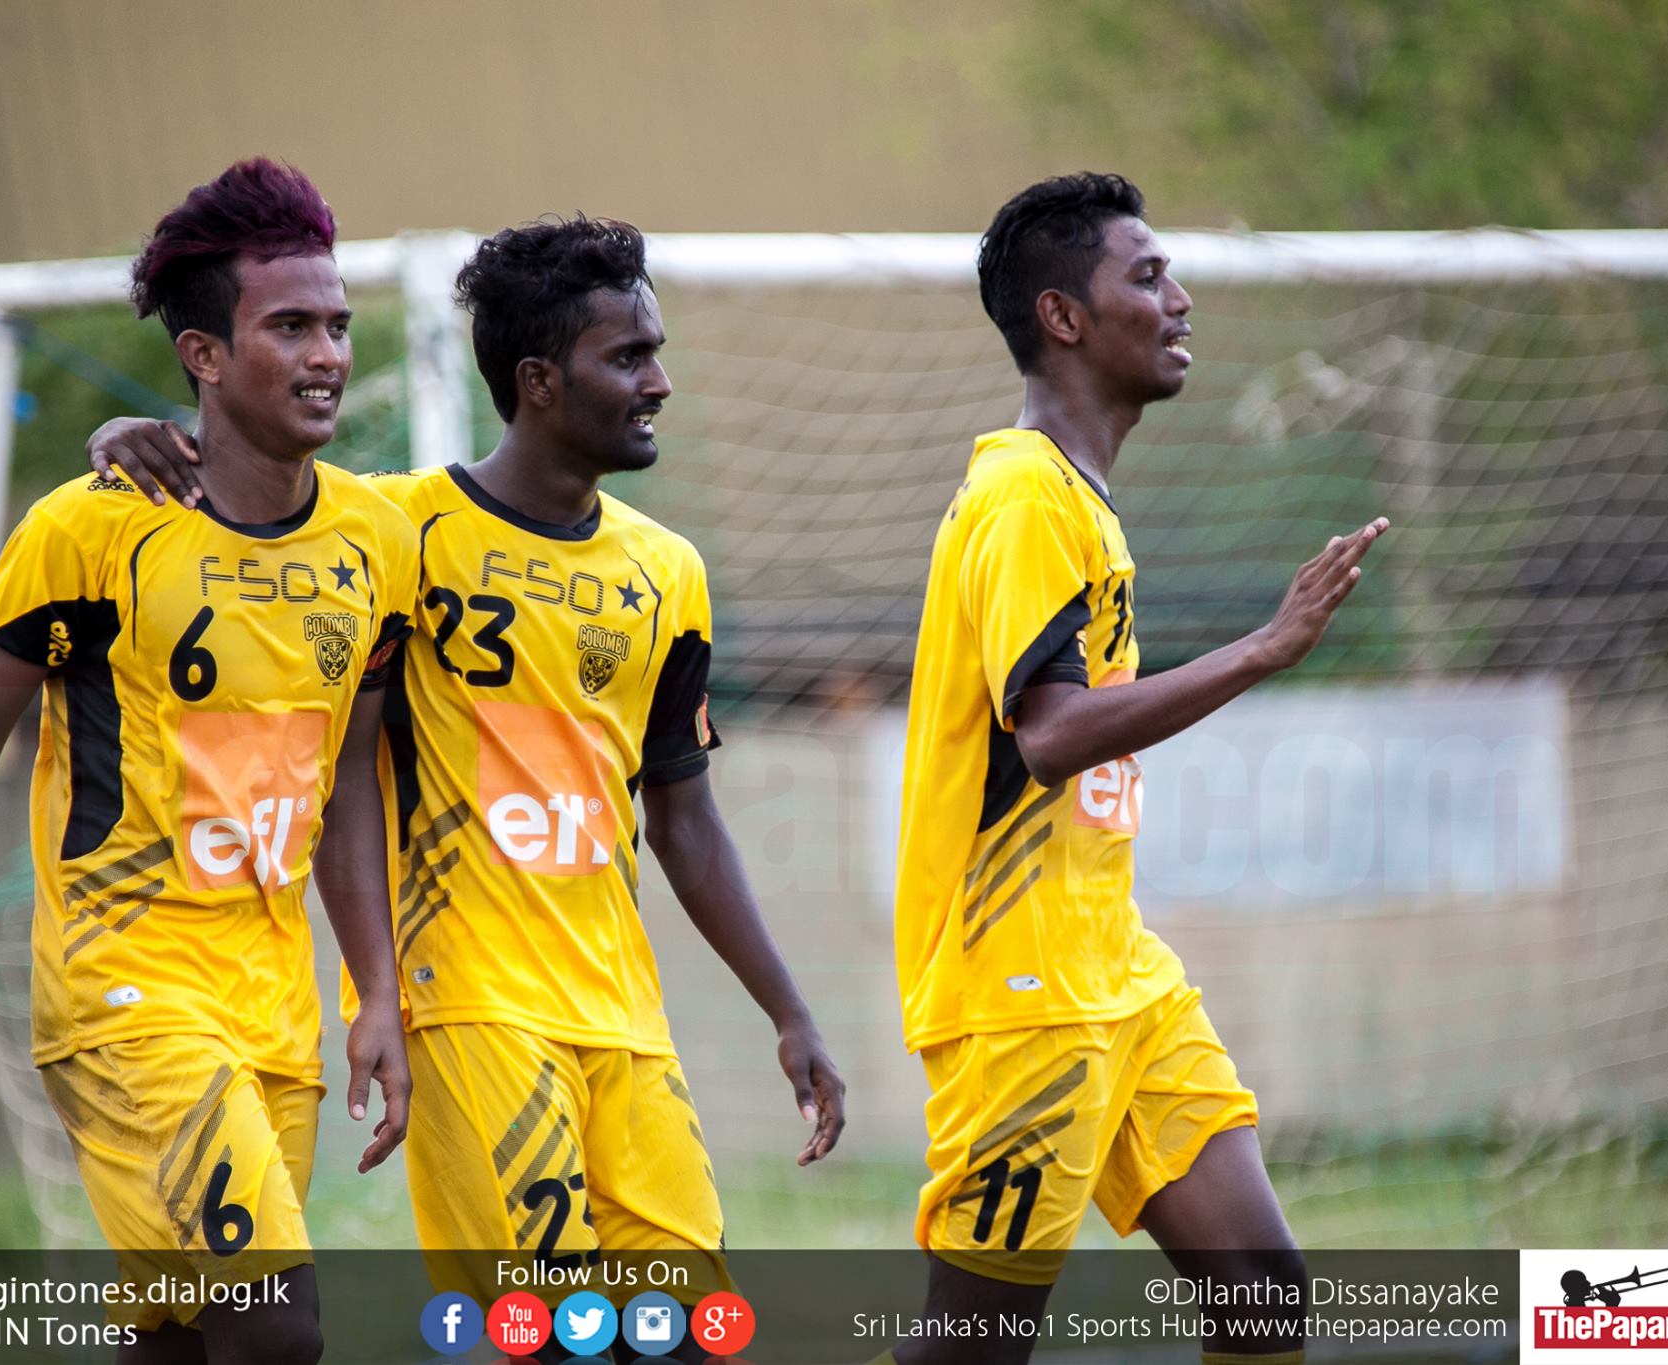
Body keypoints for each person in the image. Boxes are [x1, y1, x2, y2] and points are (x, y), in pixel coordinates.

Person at [91, 215, 845, 1313]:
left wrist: (789, 1011)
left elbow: (683, 816)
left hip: (622, 1023)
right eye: (629, 357)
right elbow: (254, 495)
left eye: (656, 353)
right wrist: (137, 436)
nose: (660, 382)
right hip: (466, 1009)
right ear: (539, 381)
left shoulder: (667, 573)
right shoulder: (398, 530)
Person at [0, 158, 415, 1365]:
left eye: (336, 325)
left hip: (273, 1006)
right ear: (203, 354)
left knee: (185, 1339)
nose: (326, 353)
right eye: (288, 326)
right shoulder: (88, 531)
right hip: (125, 1001)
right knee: (275, 1331)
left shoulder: (375, 537)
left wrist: (374, 992)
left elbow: (346, 780)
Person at [891, 172, 1387, 1365]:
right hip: (1020, 993)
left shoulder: (1081, 500)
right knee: (970, 1351)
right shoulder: (1018, 497)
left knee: (1260, 1294)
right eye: (1147, 275)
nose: (1180, 299)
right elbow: (1051, 733)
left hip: (1114, 970)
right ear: (1063, 316)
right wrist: (1265, 648)